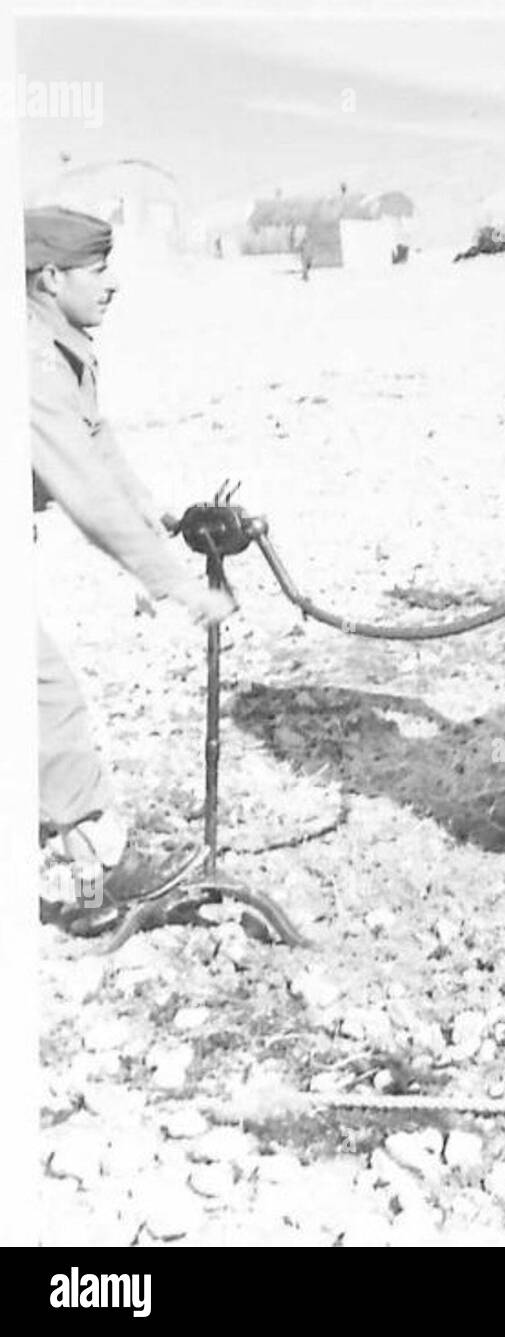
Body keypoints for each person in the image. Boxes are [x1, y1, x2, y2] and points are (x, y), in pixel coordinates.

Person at [26, 205, 236, 932]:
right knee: (44, 696)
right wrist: (173, 583)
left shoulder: (61, 345)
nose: (112, 285)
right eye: (98, 270)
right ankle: (97, 865)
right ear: (51, 277)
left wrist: (157, 516)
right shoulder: (26, 358)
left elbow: (97, 443)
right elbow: (80, 485)